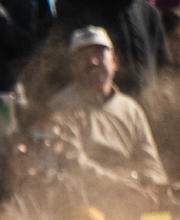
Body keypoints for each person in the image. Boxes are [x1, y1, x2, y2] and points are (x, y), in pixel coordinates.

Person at [49, 27, 169, 207]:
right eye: (83, 56)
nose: (92, 61)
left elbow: (149, 159)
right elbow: (73, 163)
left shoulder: (131, 109)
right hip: (86, 200)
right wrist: (121, 187)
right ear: (73, 67)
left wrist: (154, 183)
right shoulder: (62, 106)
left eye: (99, 53)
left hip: (135, 195)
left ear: (115, 62)